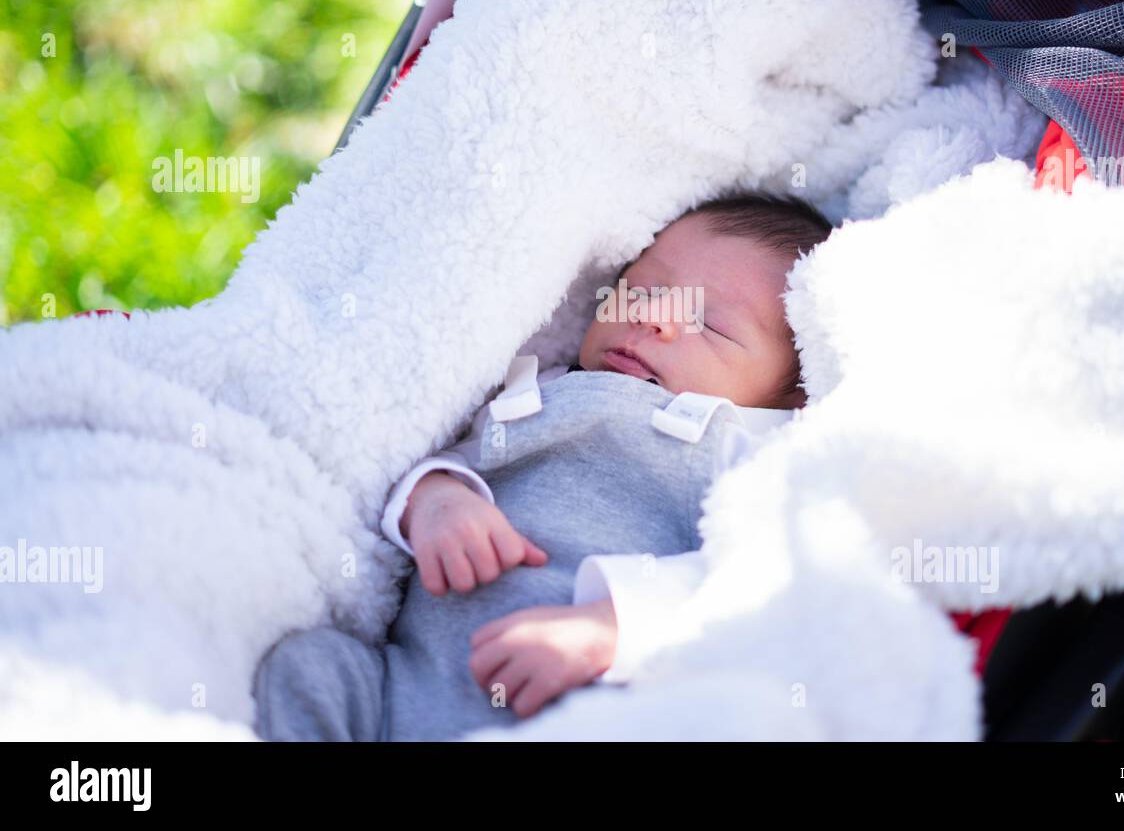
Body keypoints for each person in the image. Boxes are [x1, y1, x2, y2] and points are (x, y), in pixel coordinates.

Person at [252, 193, 834, 740]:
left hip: (592, 708)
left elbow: (753, 579)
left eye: (709, 324)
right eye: (641, 290)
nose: (653, 317)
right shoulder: (538, 391)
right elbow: (444, 460)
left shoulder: (755, 455)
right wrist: (437, 500)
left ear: (795, 392)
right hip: (408, 690)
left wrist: (613, 627)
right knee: (310, 666)